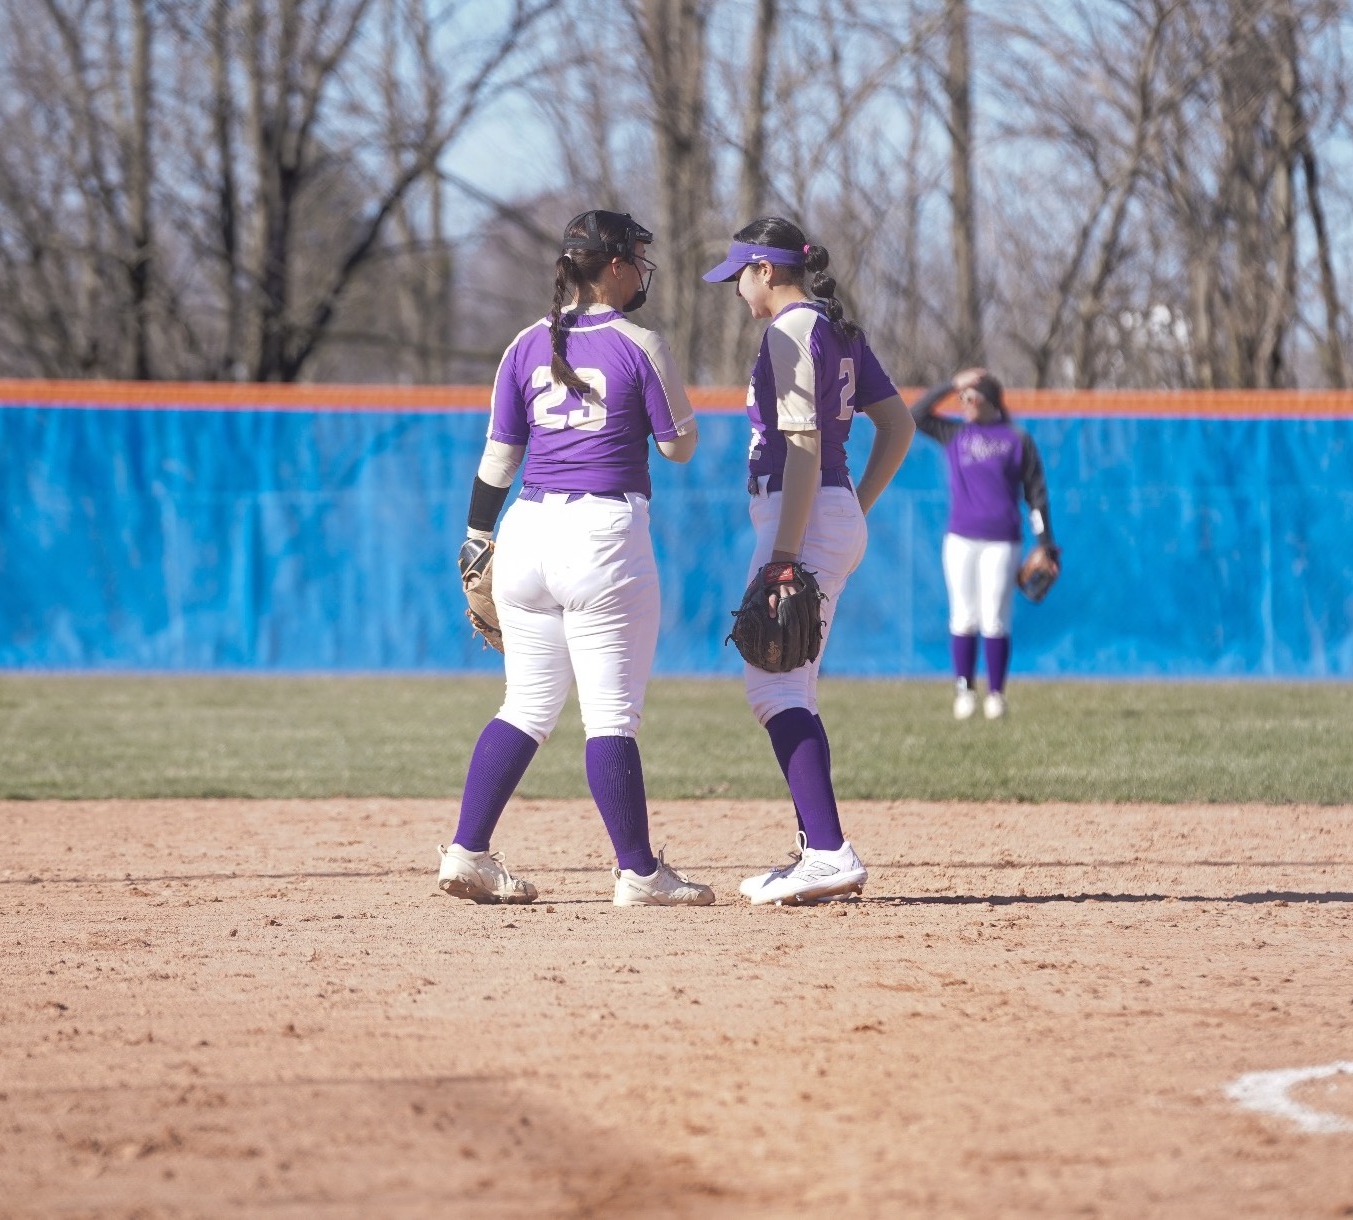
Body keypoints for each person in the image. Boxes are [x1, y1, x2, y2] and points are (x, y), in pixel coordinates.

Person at [437, 209, 714, 907]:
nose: (643, 270)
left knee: (525, 706)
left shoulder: (524, 343)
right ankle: (638, 873)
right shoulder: (639, 343)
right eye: (637, 258)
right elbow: (678, 448)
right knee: (610, 716)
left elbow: (499, 458)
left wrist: (476, 538)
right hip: (602, 534)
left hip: (524, 530)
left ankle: (467, 852)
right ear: (613, 266)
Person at [703, 217, 914, 905]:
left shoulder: (790, 331)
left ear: (765, 270)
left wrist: (785, 557)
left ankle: (827, 851)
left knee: (774, 690)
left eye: (739, 275)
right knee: (791, 687)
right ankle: (816, 850)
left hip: (801, 517)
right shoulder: (834, 327)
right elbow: (899, 426)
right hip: (827, 510)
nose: (737, 288)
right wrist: (851, 506)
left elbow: (801, 448)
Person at [910, 367, 1057, 721]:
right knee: (963, 615)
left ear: (990, 400)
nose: (963, 403)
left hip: (1002, 540)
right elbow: (915, 416)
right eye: (961, 398)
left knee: (994, 618)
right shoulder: (955, 434)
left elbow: (1036, 496)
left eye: (971, 397)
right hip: (960, 538)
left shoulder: (1016, 440)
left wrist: (1045, 543)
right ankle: (964, 689)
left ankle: (995, 695)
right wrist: (952, 384)